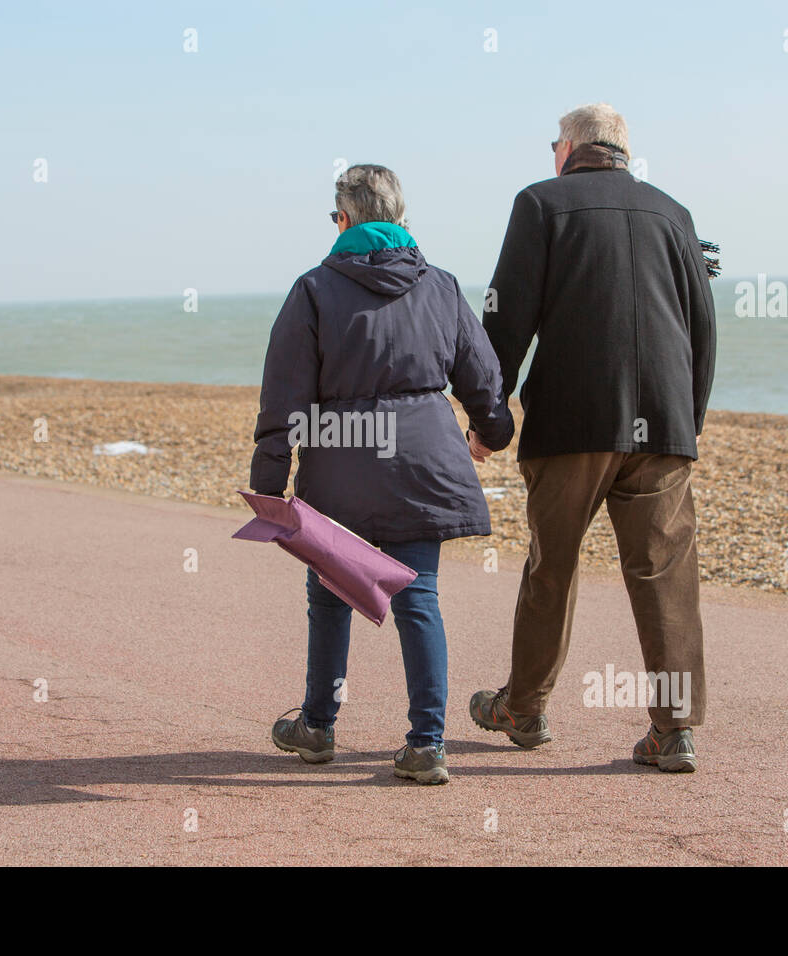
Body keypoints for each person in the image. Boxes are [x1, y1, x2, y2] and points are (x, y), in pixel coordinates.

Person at [467, 103, 716, 772]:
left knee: (554, 564)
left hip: (573, 420)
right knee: (664, 574)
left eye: (553, 142)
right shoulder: (674, 214)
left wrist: (488, 418)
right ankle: (674, 731)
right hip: (662, 423)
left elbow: (506, 317)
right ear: (622, 153)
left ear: (570, 148)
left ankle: (524, 708)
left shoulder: (540, 205)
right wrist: (687, 420)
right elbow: (702, 325)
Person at [251, 164, 512, 785]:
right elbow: (483, 375)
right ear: (401, 220)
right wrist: (492, 431)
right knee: (418, 595)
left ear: (343, 219)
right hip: (424, 461)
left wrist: (268, 480)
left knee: (331, 594)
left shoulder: (314, 289)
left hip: (341, 460)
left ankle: (317, 726)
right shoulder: (441, 286)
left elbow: (284, 394)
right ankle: (427, 743)